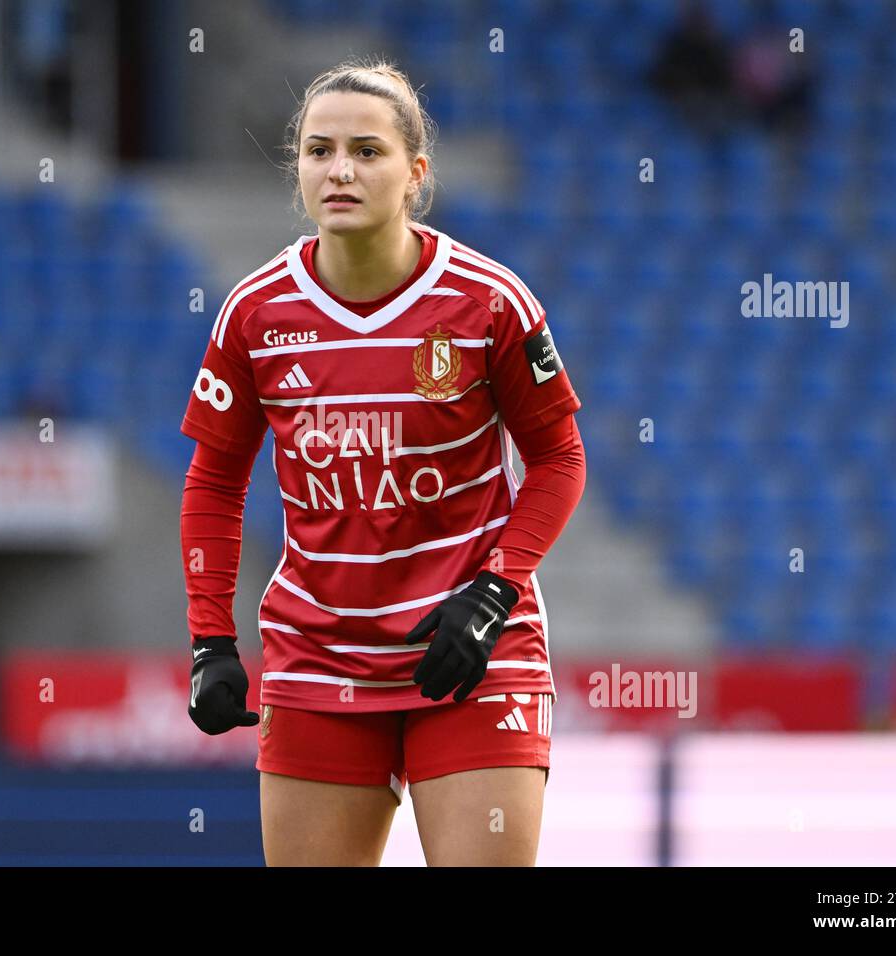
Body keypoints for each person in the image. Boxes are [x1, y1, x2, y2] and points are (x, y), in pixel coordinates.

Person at [179, 57, 585, 866]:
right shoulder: (255, 313)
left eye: (368, 151)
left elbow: (558, 458)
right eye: (319, 150)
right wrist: (209, 640)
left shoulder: (489, 302)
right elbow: (215, 480)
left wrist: (495, 592)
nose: (340, 169)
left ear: (415, 173)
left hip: (473, 651)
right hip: (318, 656)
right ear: (297, 168)